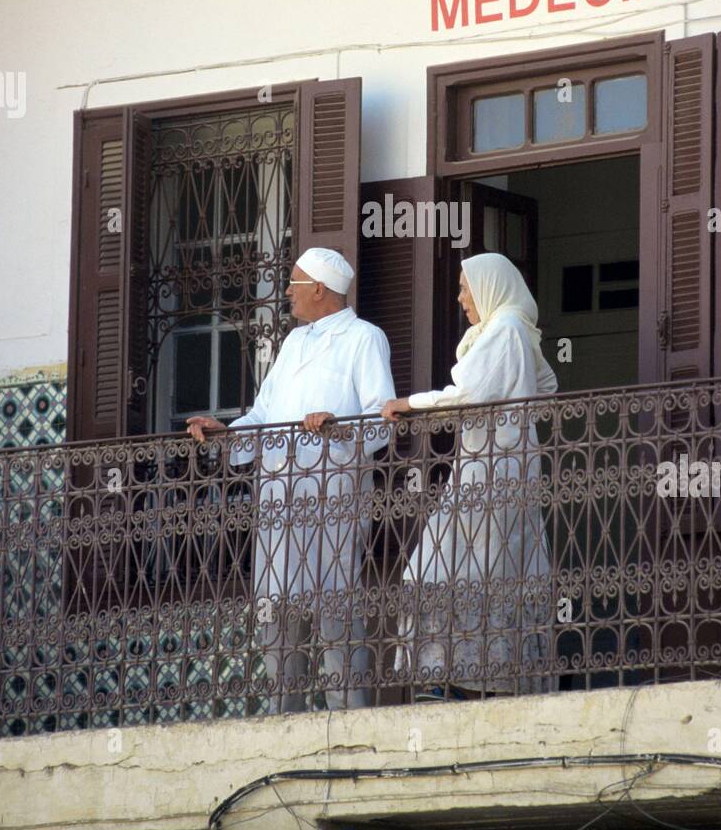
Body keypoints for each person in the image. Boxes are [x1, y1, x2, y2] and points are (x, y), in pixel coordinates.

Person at [187, 247, 395, 712]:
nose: (286, 292)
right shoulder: (294, 343)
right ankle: (286, 720)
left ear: (319, 289)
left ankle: (351, 718)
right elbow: (264, 414)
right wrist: (228, 431)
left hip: (332, 492)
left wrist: (337, 424)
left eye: (294, 283)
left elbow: (382, 420)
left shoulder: (365, 338)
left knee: (334, 608)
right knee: (277, 609)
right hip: (280, 495)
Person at [382, 252, 557, 700]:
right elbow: (547, 386)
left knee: (439, 571)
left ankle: (449, 680)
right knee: (482, 574)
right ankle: (476, 681)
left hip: (492, 470)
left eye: (465, 286)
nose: (460, 297)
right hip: (498, 463)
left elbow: (470, 394)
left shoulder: (506, 329)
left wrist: (411, 403)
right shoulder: (513, 330)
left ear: (490, 287)